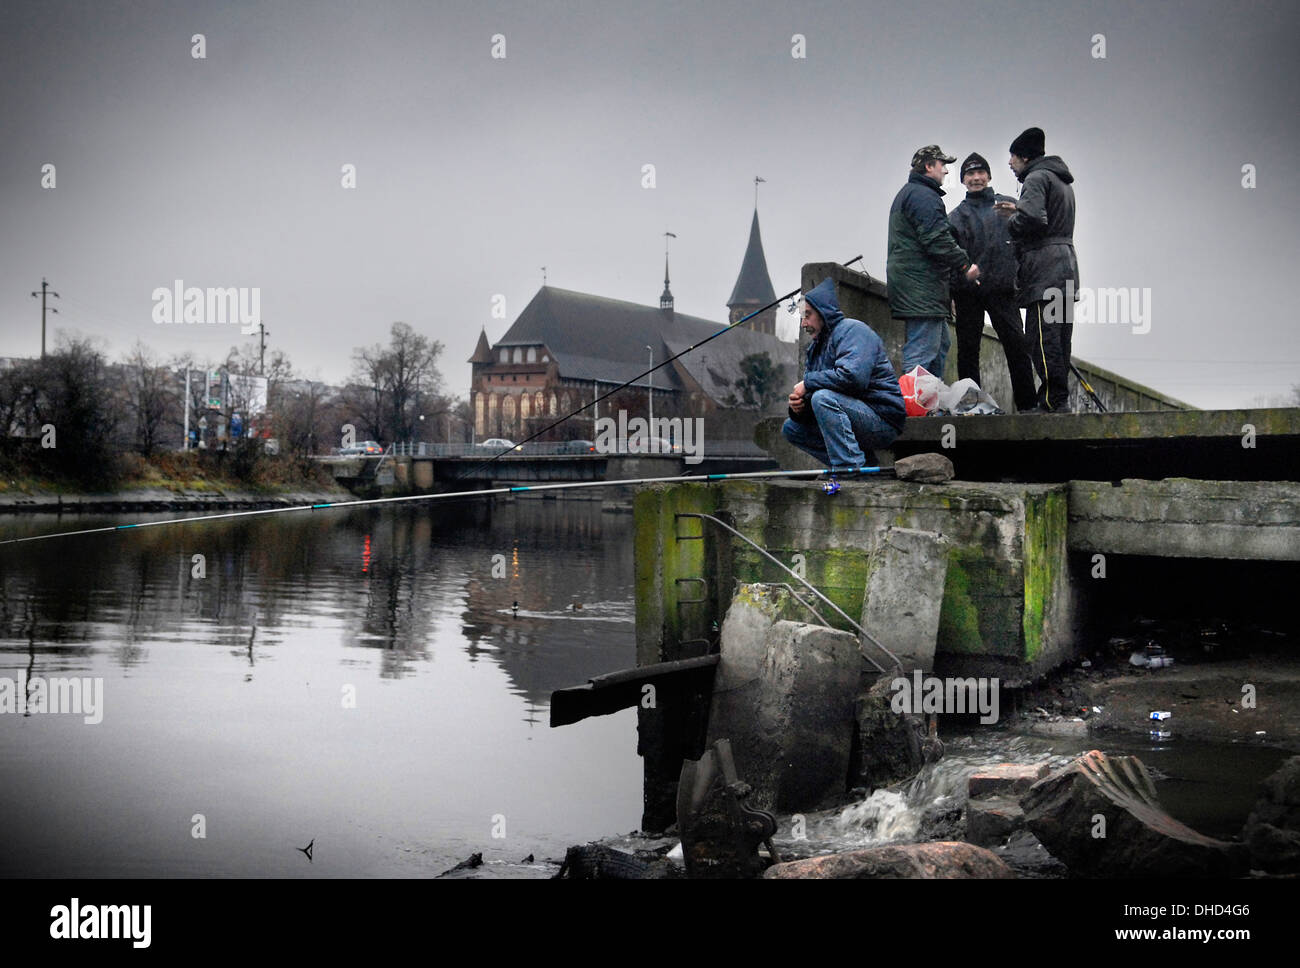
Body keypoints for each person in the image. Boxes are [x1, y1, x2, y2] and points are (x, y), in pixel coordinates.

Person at [782, 277, 906, 471]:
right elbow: (817, 397)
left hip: (883, 420)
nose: (804, 323)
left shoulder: (853, 331)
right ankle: (865, 465)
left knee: (823, 398)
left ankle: (849, 467)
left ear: (823, 313)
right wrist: (798, 408)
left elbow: (854, 378)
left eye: (808, 315)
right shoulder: (815, 348)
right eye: (801, 318)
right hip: (851, 414)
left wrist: (807, 383)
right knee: (791, 428)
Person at [948, 152, 1037, 412]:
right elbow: (948, 259)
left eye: (980, 173)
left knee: (1018, 347)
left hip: (1003, 291)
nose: (976, 178)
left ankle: (1028, 406)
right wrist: (951, 293)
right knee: (967, 352)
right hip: (967, 294)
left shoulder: (1009, 206)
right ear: (963, 180)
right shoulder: (955, 217)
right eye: (970, 174)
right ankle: (972, 406)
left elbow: (1028, 242)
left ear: (988, 176)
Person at [999, 127, 1079, 412]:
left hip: (1045, 271)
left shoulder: (1036, 177)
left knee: (1041, 338)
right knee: (1060, 337)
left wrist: (1013, 220)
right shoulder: (1062, 181)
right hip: (1066, 266)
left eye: (1012, 157)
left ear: (1024, 156)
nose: (1010, 163)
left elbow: (1033, 218)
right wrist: (1021, 208)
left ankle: (1050, 401)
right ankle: (1059, 399)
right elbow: (1046, 216)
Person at [887, 145, 981, 378]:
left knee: (939, 346)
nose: (946, 171)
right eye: (943, 165)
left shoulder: (914, 193)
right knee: (922, 350)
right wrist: (965, 265)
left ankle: (930, 406)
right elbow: (937, 240)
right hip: (920, 288)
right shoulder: (923, 196)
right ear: (929, 166)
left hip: (925, 288)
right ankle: (916, 411)